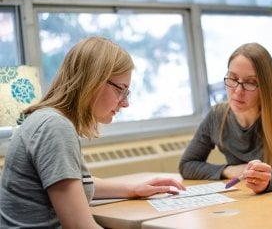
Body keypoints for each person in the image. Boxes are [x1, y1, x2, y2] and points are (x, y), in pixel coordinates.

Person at [0, 36, 185, 228]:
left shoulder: (45, 120)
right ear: (93, 81)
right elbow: (80, 226)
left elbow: (74, 184)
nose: (125, 103)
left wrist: (132, 189)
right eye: (121, 90)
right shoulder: (54, 128)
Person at [179, 42, 272, 194]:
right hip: (246, 196)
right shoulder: (216, 116)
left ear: (266, 86)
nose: (238, 91)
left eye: (250, 82)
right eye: (233, 78)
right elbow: (187, 164)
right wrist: (229, 170)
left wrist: (269, 178)